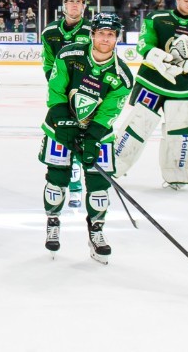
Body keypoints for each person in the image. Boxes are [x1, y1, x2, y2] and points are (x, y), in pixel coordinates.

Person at [40, 13, 132, 264]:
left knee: (99, 187)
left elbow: (109, 111)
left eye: (111, 34)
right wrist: (64, 123)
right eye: (101, 33)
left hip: (98, 135)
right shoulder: (70, 55)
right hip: (59, 127)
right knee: (56, 180)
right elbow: (56, 89)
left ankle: (97, 230)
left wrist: (92, 138)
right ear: (92, 35)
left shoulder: (122, 76)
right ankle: (53, 222)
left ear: (117, 38)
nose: (105, 38)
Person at [112, 0, 188, 188]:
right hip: (152, 82)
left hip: (182, 88)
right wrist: (159, 56)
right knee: (137, 126)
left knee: (180, 132)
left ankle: (177, 175)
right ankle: (115, 166)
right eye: (186, 0)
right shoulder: (157, 19)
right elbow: (143, 44)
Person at [39, 0, 93, 207]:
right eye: (71, 1)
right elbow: (48, 65)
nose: (74, 5)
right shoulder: (50, 32)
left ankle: (79, 187)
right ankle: (60, 184)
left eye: (79, 1)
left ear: (84, 5)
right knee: (62, 138)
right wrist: (60, 90)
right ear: (64, 4)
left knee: (83, 140)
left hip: (88, 96)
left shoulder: (93, 30)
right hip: (61, 97)